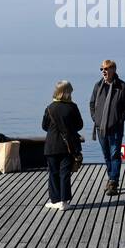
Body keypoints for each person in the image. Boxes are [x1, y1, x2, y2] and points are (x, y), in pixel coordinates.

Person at [89, 59, 125, 196]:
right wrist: (95, 119)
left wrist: (119, 121)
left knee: (115, 155)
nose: (104, 72)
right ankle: (111, 178)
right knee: (107, 155)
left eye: (106, 69)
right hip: (100, 128)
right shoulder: (98, 86)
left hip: (115, 129)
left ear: (113, 69)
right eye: (102, 69)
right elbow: (92, 104)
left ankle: (113, 181)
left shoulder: (122, 86)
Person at [43, 80, 84, 211]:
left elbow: (44, 126)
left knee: (53, 173)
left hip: (51, 145)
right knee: (65, 173)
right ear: (67, 93)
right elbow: (79, 125)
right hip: (68, 145)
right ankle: (64, 202)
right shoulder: (72, 107)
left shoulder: (49, 107)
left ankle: (55, 200)